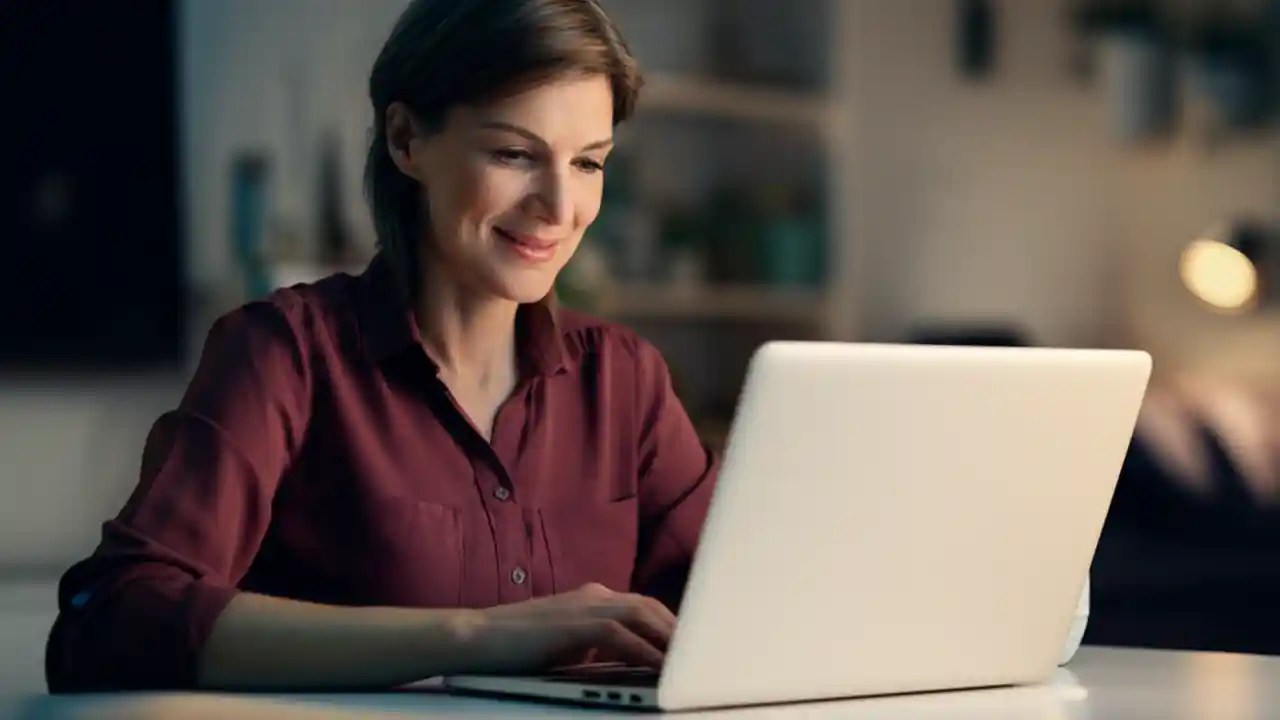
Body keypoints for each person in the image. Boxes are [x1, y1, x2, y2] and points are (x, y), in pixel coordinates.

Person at [45, 0, 717, 692]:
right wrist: (478, 634)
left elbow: (737, 605)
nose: (558, 205)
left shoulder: (624, 378)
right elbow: (114, 623)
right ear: (405, 140)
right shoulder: (283, 356)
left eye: (588, 163)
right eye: (515, 153)